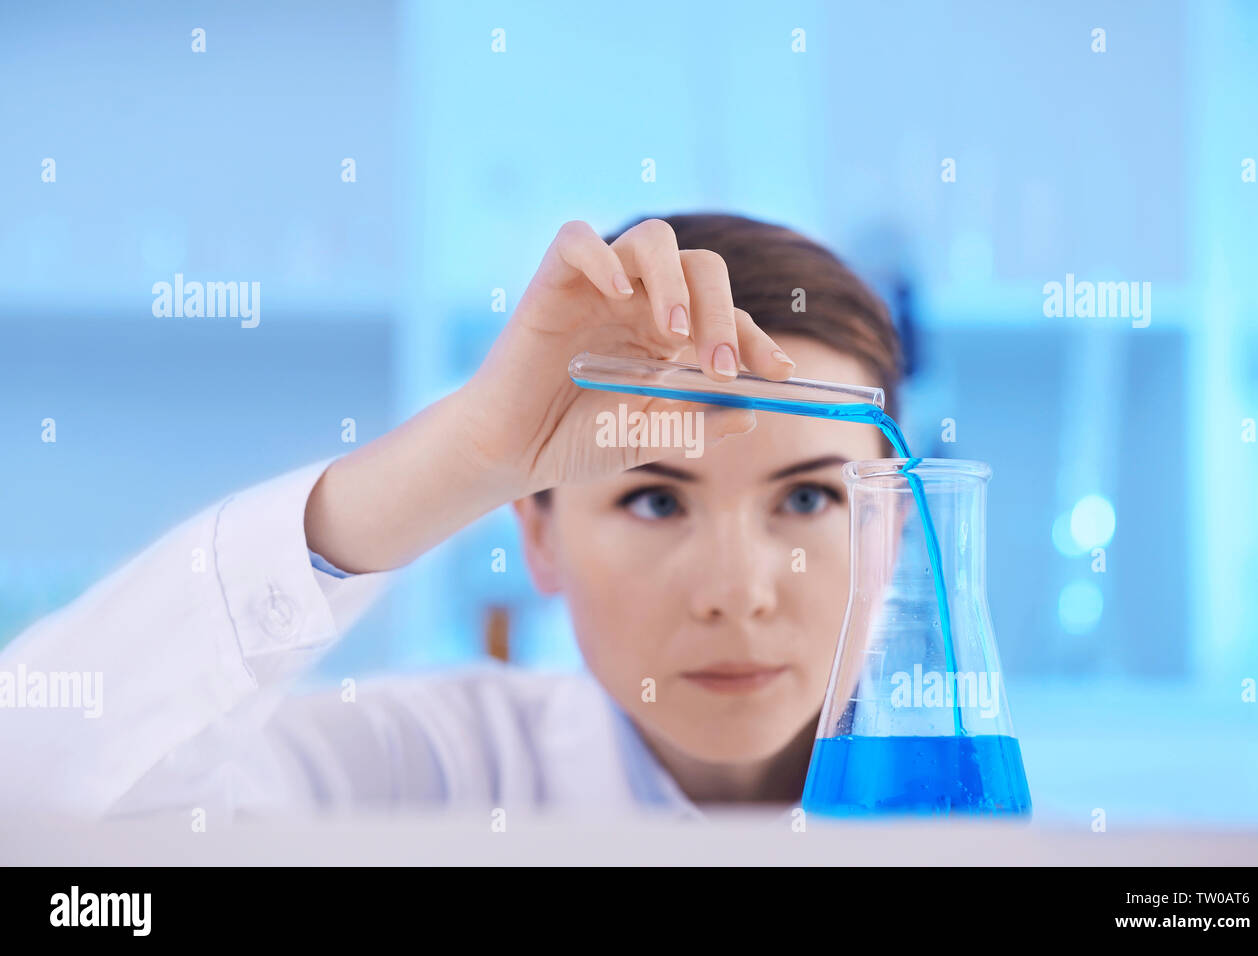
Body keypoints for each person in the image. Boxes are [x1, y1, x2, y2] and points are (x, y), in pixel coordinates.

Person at [0, 213, 902, 820]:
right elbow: (34, 793)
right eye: (656, 499)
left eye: (811, 497)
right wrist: (462, 456)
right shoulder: (431, 774)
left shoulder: (994, 815)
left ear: (892, 528)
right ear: (539, 536)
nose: (738, 593)